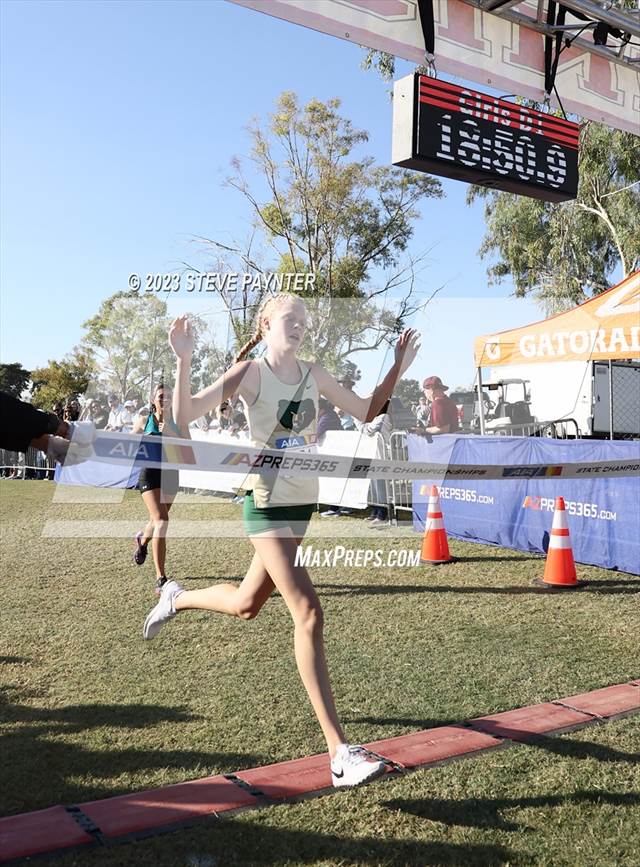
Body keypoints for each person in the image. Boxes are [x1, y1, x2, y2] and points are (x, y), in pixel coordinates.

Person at [142, 293, 419, 788]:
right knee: (308, 610)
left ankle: (176, 597)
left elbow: (366, 410)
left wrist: (396, 367)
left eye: (304, 322)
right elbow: (184, 414)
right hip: (264, 505)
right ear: (267, 324)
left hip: (301, 506)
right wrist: (184, 359)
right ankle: (339, 754)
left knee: (247, 604)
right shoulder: (249, 372)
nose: (299, 327)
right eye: (290, 320)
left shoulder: (315, 373)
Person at [131, 383, 186, 594]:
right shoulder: (144, 421)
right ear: (153, 398)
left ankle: (142, 542)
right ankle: (160, 578)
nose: (165, 399)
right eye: (162, 395)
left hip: (171, 474)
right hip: (150, 473)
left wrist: (171, 433)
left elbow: (189, 446)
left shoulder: (178, 422)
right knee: (162, 520)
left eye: (169, 396)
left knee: (156, 521)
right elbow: (126, 443)